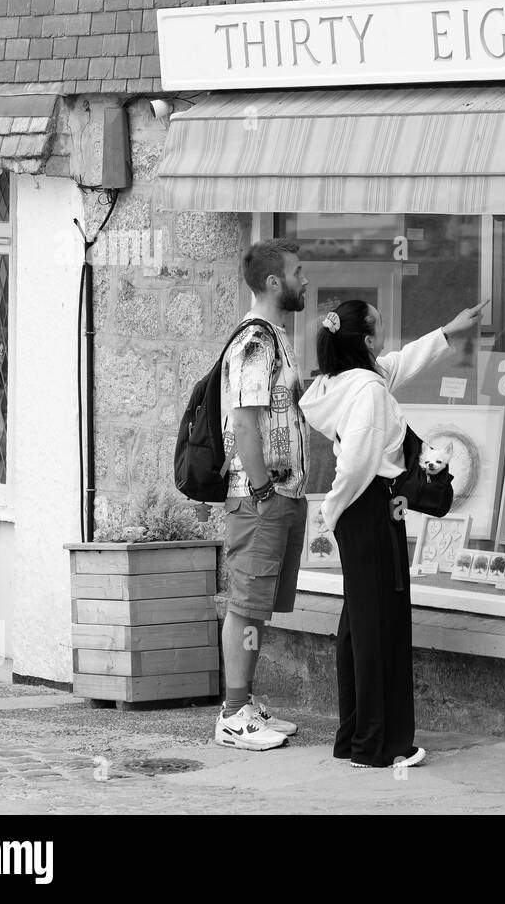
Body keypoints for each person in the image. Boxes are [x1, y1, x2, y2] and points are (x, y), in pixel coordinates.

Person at [300, 298, 485, 768]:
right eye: (379, 325)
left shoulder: (344, 382)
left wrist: (448, 330)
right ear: (365, 340)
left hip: (361, 513)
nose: (386, 331)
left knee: (359, 627)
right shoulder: (369, 393)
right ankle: (379, 746)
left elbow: (401, 362)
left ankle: (355, 738)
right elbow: (358, 461)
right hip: (371, 510)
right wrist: (336, 509)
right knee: (380, 626)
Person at [214, 238, 309, 751]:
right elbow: (245, 423)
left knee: (257, 606)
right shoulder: (256, 342)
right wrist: (264, 490)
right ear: (274, 282)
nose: (305, 279)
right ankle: (233, 714)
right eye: (298, 271)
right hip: (259, 497)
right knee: (246, 607)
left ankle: (245, 702)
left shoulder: (277, 337)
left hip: (277, 493)